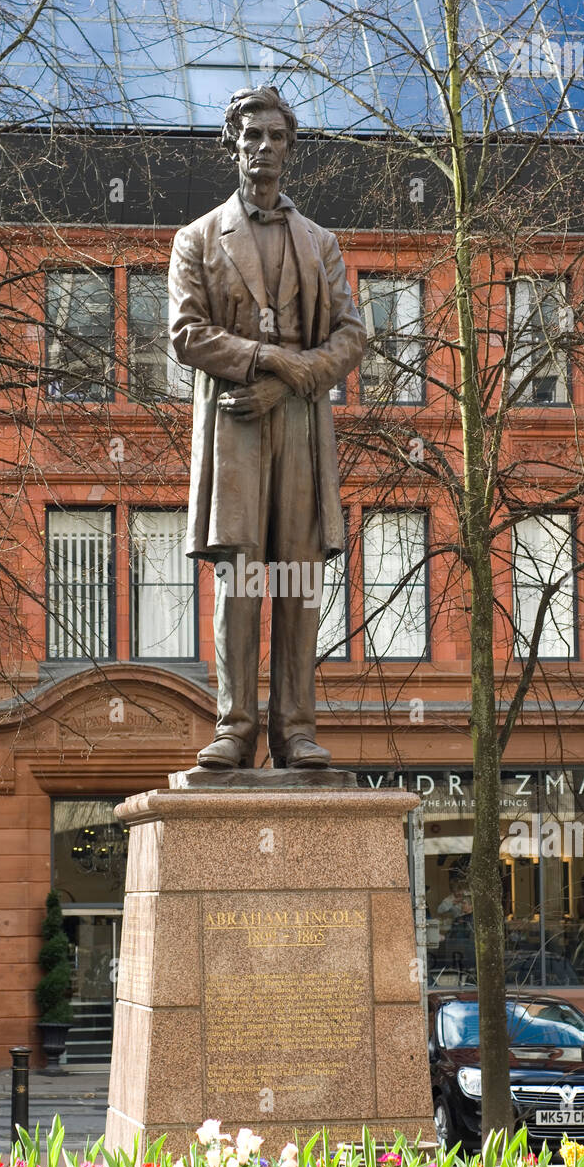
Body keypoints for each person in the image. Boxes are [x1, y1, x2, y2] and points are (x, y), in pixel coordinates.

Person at [168, 85, 366, 769]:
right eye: (251, 136)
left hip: (301, 428)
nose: (263, 148)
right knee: (242, 577)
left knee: (298, 577)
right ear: (234, 144)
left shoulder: (320, 243)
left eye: (275, 137)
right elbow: (187, 333)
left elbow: (350, 336)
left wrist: (282, 378)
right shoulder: (197, 239)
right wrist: (262, 358)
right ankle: (235, 727)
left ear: (290, 147)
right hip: (235, 431)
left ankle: (296, 730)